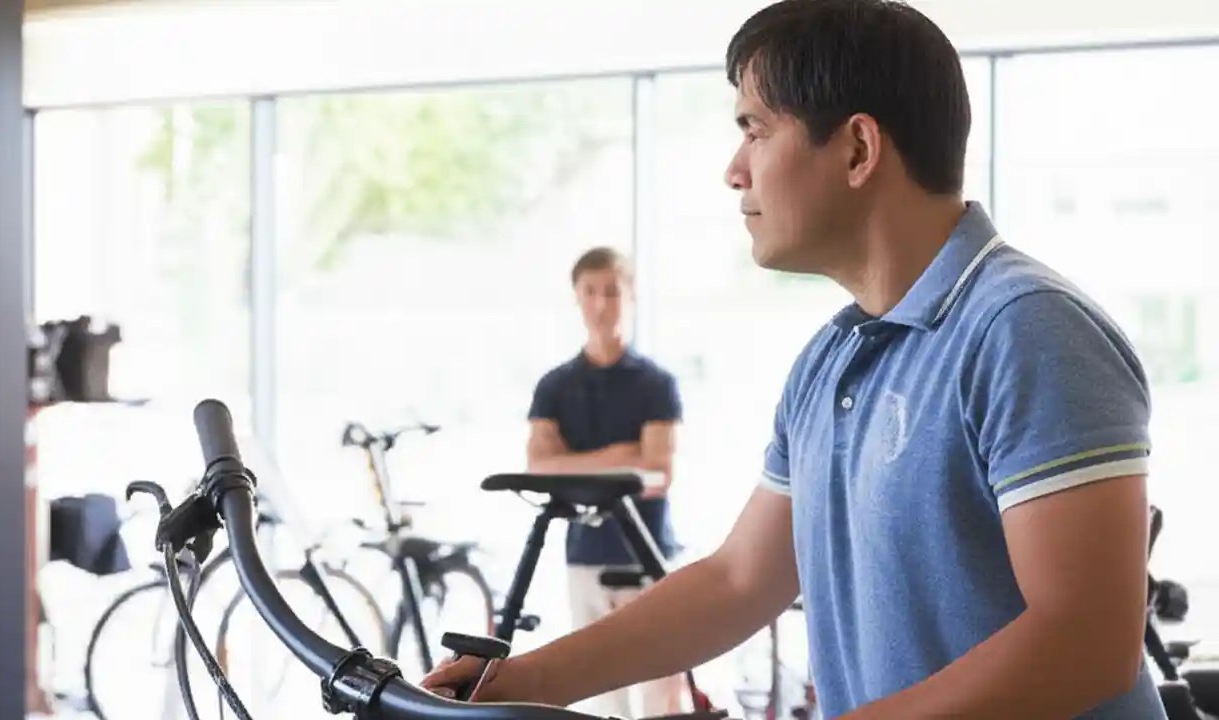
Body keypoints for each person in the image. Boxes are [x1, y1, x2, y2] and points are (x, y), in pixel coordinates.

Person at [425, 1, 1167, 717]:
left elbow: (1086, 641)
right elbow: (740, 580)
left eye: (755, 131)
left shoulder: (1023, 327)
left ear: (856, 149)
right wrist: (522, 681)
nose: (733, 170)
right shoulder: (830, 359)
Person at [522, 246, 688, 718]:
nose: (601, 304)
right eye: (590, 292)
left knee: (662, 691)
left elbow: (658, 474)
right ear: (577, 298)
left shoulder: (655, 383)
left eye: (612, 292)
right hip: (584, 556)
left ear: (629, 296)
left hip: (648, 553)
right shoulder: (554, 386)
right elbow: (537, 467)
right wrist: (619, 457)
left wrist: (571, 463)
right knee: (599, 698)